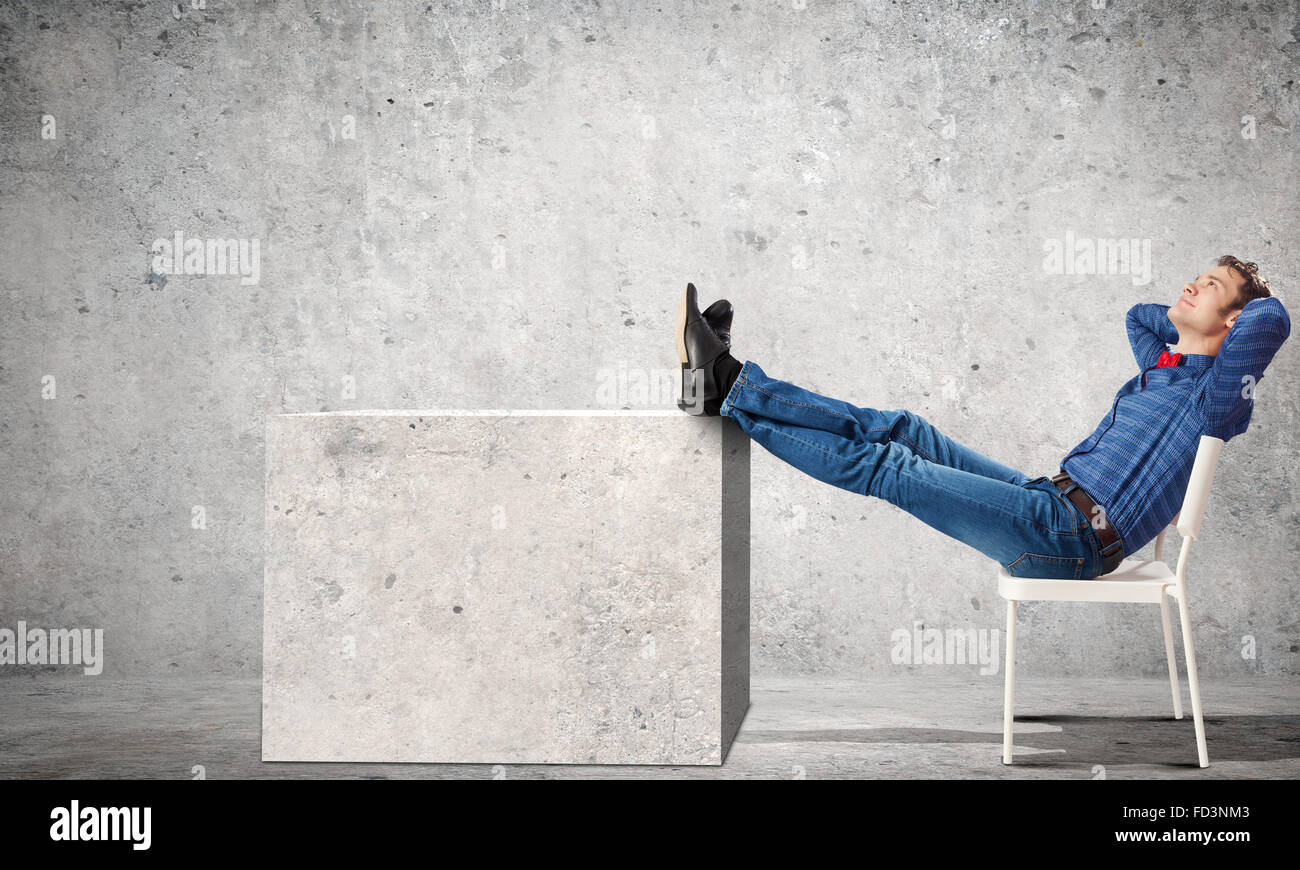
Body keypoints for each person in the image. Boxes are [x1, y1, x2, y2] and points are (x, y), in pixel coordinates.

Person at [674, 256, 1290, 579]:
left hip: (1070, 540)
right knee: (907, 431)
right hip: (1048, 499)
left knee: (887, 467)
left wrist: (1247, 298)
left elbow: (1274, 319)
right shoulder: (1164, 367)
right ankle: (723, 382)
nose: (1189, 286)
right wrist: (1208, 305)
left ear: (1236, 323)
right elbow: (1139, 314)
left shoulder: (1218, 401)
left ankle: (724, 382)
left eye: (1207, 286)